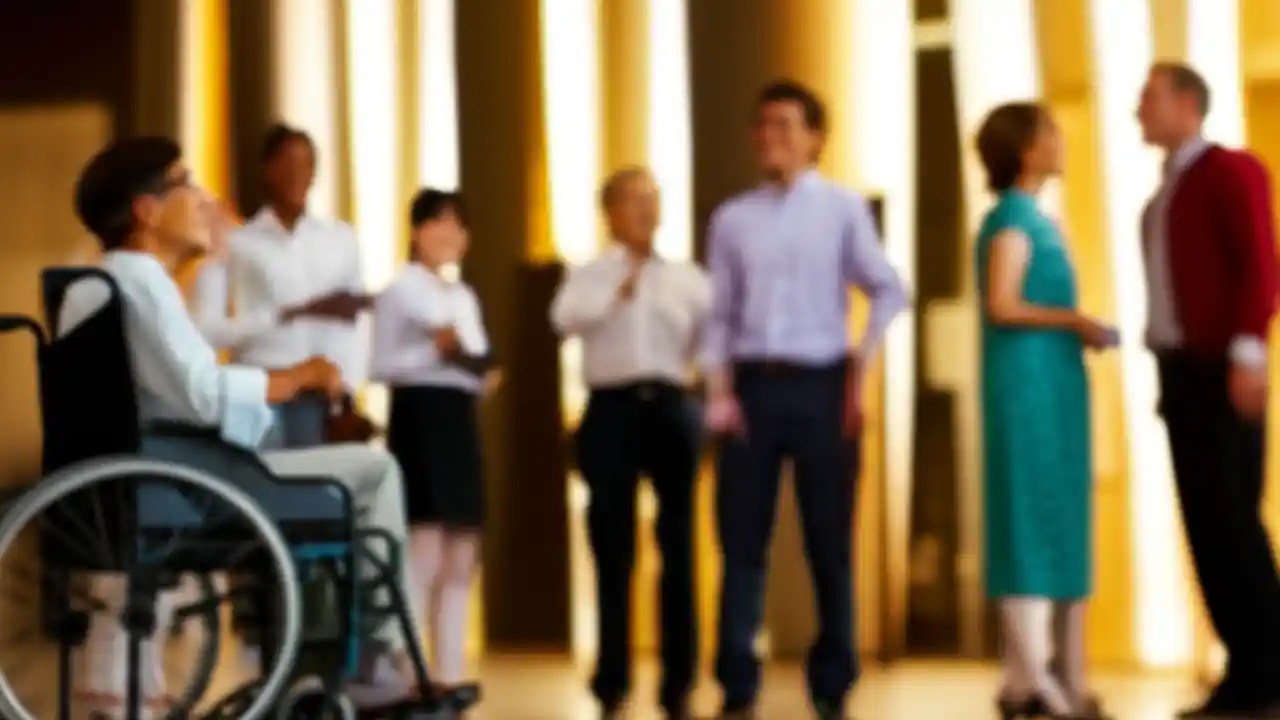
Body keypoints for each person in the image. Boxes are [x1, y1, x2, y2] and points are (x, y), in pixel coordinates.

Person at [61, 136, 425, 711]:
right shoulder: (144, 281)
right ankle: (382, 652)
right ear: (146, 210)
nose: (205, 198)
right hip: (184, 477)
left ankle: (347, 648)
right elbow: (205, 395)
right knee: (375, 472)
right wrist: (296, 377)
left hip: (139, 471)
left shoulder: (92, 284)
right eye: (186, 182)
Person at [701, 80, 909, 720]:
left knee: (829, 540)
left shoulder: (844, 210)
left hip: (824, 383)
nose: (772, 138)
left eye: (786, 126)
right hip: (752, 387)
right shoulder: (732, 218)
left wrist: (861, 371)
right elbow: (718, 314)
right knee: (741, 541)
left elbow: (888, 288)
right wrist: (719, 391)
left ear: (816, 137)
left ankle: (833, 678)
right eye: (763, 126)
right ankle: (737, 678)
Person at [1136, 62, 1280, 719]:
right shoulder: (1161, 194)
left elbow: (1259, 260)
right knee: (1205, 527)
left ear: (1188, 103)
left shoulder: (1231, 170)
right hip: (1180, 372)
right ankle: (1245, 672)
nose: (1140, 108)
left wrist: (1249, 353)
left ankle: (1271, 668)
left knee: (1234, 521)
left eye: (1151, 97)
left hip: (1224, 367)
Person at [550, 168, 711, 720]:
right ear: (610, 211)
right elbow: (563, 319)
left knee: (680, 546)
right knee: (612, 547)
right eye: (633, 199)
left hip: (670, 405)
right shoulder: (589, 274)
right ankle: (612, 680)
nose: (644, 209)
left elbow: (711, 337)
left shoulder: (688, 277)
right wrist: (617, 293)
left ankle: (679, 682)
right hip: (611, 409)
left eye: (652, 199)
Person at [974, 102, 1116, 720]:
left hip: (1053, 387)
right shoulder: (1012, 220)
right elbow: (1001, 304)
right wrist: (1075, 321)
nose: (1060, 142)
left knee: (1055, 517)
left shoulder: (1039, 218)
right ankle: (1043, 684)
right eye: (1050, 134)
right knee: (1026, 520)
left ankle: (1031, 682)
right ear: (1026, 150)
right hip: (1026, 388)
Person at [371, 188, 497, 695]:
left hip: (458, 416)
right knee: (424, 545)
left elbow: (480, 363)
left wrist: (463, 359)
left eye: (457, 224)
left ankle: (448, 671)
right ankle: (409, 671)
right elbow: (388, 362)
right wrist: (446, 356)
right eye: (437, 222)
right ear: (416, 230)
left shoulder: (463, 296)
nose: (448, 234)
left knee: (462, 551)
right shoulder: (401, 289)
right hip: (419, 412)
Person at [193, 123, 371, 449]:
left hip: (319, 397)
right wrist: (280, 315)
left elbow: (356, 324)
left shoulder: (341, 239)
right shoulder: (237, 243)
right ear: (267, 169)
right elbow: (207, 330)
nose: (295, 174)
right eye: (286, 163)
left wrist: (347, 388)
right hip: (259, 390)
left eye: (305, 164)